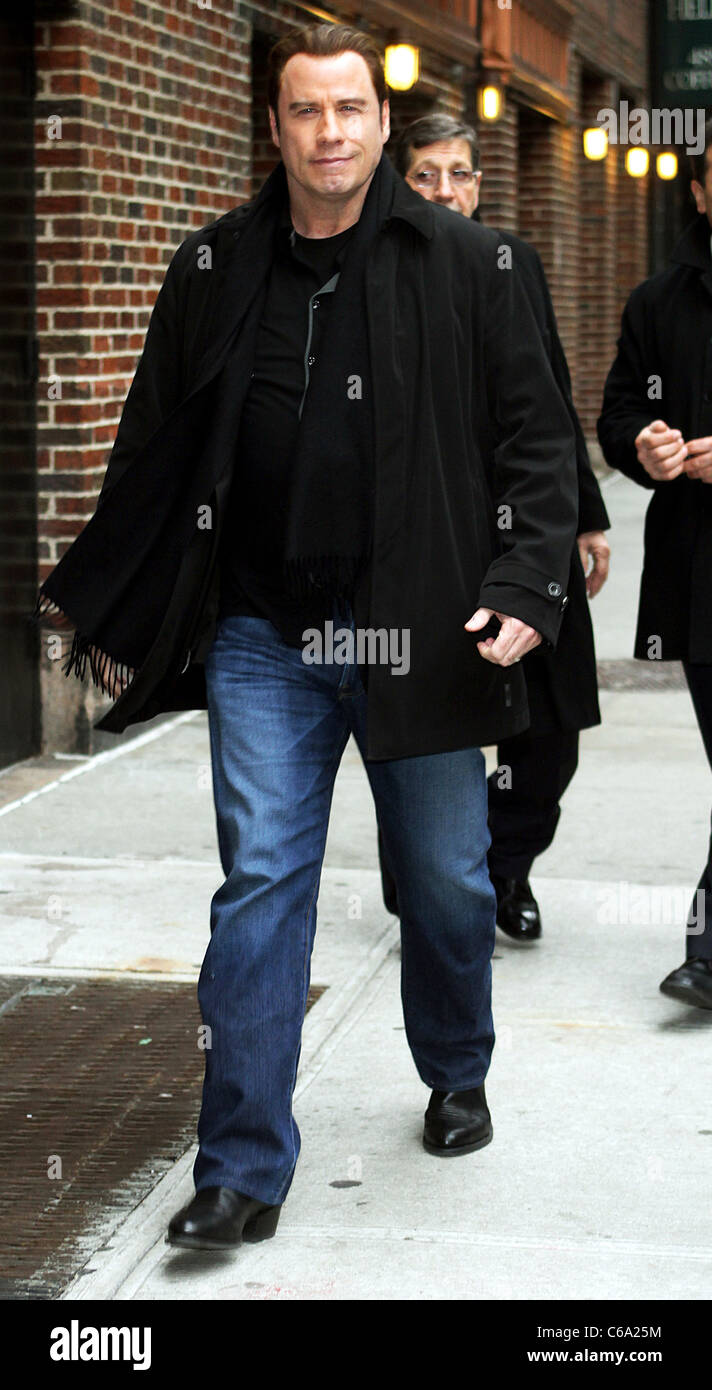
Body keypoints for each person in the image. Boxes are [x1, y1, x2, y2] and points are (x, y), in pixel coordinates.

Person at [32, 24, 578, 1250]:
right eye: (304, 111)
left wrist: (524, 582)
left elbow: (538, 445)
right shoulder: (215, 268)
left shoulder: (470, 262)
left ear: (381, 127)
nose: (329, 132)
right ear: (273, 129)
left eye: (349, 110)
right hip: (266, 634)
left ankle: (454, 1060)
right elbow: (154, 444)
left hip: (417, 631)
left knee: (443, 879)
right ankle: (239, 1163)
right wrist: (125, 602)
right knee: (261, 887)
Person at [380, 114, 610, 942]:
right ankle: (421, 875)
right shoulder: (380, 270)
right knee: (420, 726)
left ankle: (501, 869)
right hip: (432, 537)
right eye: (427, 174)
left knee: (548, 739)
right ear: (398, 181)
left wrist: (582, 515)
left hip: (526, 535)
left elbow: (548, 396)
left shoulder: (511, 260)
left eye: (461, 174)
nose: (447, 190)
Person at [598, 116, 712, 1011]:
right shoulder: (658, 301)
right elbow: (617, 409)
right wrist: (646, 439)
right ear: (702, 192)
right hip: (702, 569)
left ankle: (708, 956)